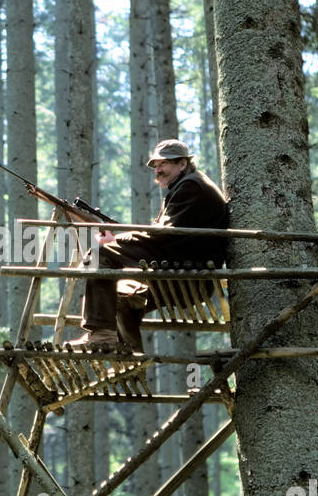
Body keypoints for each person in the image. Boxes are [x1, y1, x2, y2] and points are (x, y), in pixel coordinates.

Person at [67, 139, 229, 350]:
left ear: (182, 164)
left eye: (164, 163)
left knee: (100, 254)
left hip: (187, 269)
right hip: (184, 265)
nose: (158, 170)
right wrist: (124, 239)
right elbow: (165, 232)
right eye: (156, 165)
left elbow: (165, 235)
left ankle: (103, 332)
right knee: (123, 297)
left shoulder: (191, 186)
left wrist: (118, 240)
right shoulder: (187, 184)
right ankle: (129, 356)